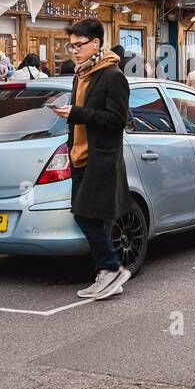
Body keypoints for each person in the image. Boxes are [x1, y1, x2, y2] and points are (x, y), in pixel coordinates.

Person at [50, 18, 132, 301]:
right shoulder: (80, 74)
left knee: (85, 215)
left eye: (78, 45)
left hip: (102, 159)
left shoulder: (112, 76)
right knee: (90, 217)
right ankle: (107, 275)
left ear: (96, 43)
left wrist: (76, 114)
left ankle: (112, 268)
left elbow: (117, 120)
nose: (73, 51)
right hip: (80, 157)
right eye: (70, 46)